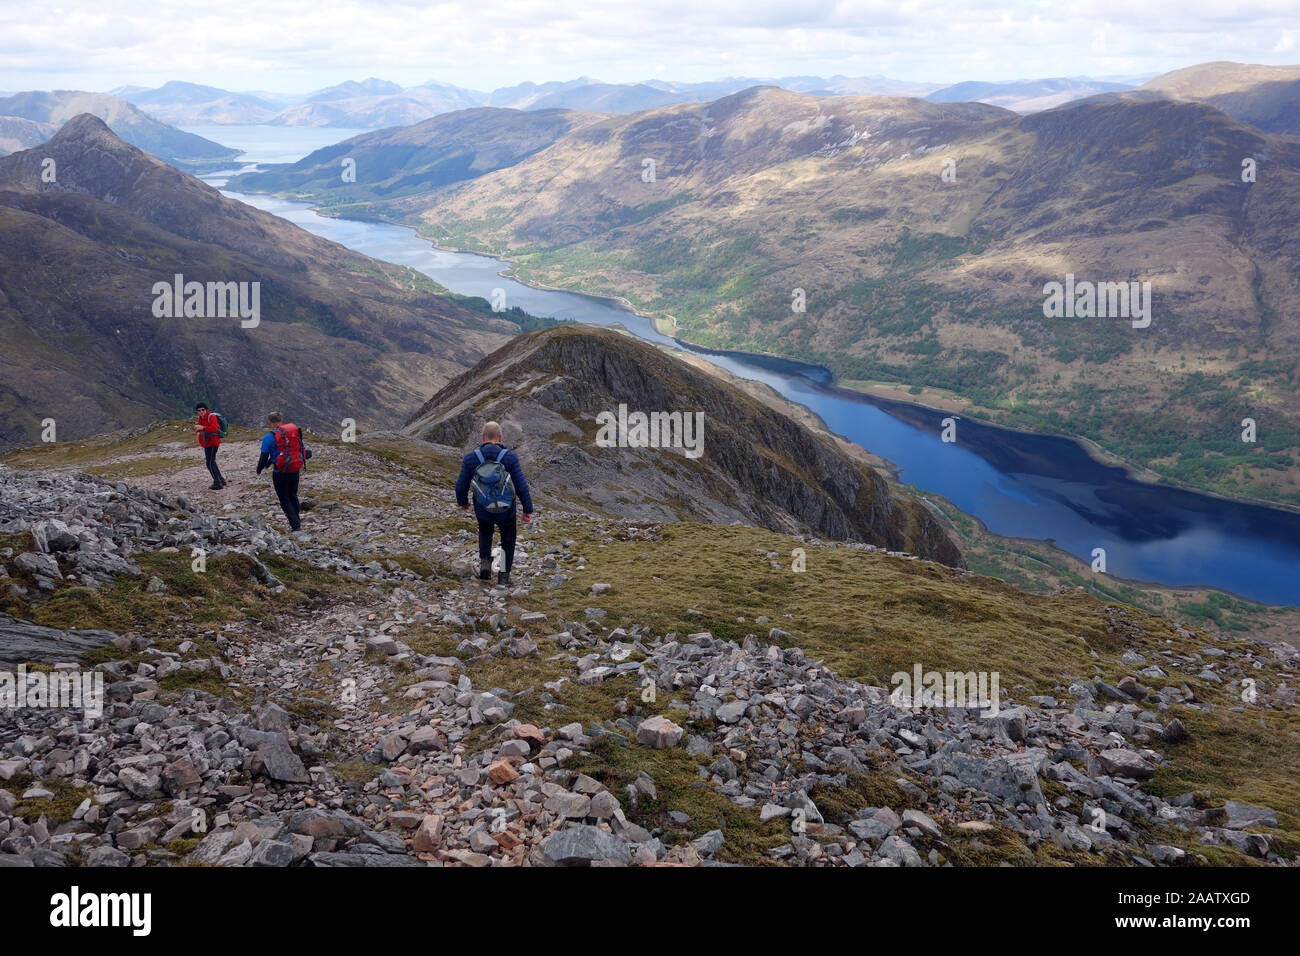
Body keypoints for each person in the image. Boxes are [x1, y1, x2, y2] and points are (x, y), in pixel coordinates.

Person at [455, 421, 533, 586]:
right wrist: (527, 509)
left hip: (483, 509)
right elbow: (521, 485)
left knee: (485, 532)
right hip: (507, 510)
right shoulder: (510, 457)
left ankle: (485, 567)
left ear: (483, 437)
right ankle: (504, 577)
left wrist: (463, 502)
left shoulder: (470, 458)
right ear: (500, 437)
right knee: (508, 539)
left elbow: (461, 485)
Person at [256, 412, 311, 532]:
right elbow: (300, 449)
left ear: (269, 423)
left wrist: (259, 469)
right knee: (293, 496)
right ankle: (297, 521)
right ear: (281, 421)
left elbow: (263, 457)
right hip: (294, 469)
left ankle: (296, 526)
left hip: (279, 472)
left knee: (284, 499)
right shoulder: (292, 433)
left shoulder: (268, 438)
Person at [195, 403, 226, 490]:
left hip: (213, 442)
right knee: (211, 462)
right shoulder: (200, 418)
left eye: (202, 410)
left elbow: (215, 429)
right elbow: (200, 428)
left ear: (206, 409)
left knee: (210, 463)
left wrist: (202, 428)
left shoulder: (211, 416)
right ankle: (220, 479)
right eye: (199, 410)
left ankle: (217, 483)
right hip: (207, 443)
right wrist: (198, 431)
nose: (201, 412)